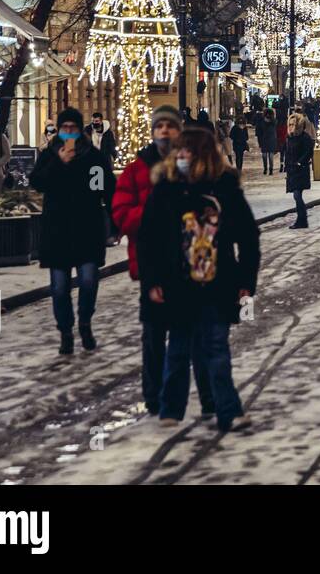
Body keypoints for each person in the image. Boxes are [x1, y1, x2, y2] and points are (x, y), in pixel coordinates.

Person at [138, 126, 260, 432]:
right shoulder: (166, 188)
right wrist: (152, 281)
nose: (181, 155)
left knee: (216, 348)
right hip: (178, 283)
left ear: (203, 154)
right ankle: (170, 408)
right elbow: (147, 239)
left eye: (187, 150)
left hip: (218, 284)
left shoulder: (225, 187)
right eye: (179, 150)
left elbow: (248, 236)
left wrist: (246, 280)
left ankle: (227, 411)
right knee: (178, 348)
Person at [112, 105, 215, 417]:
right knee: (154, 335)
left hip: (191, 263)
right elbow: (119, 212)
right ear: (154, 131)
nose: (165, 132)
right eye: (160, 127)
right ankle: (154, 396)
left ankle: (208, 397)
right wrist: (152, 217)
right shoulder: (137, 169)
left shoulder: (193, 167)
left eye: (171, 126)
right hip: (151, 261)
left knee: (197, 334)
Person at [30, 107, 115, 355]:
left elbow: (103, 188)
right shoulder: (49, 155)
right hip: (57, 229)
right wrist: (59, 162)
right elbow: (38, 182)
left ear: (80, 130)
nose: (68, 132)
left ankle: (85, 321)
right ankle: (66, 331)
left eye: (73, 128)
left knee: (89, 280)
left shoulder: (93, 157)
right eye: (64, 128)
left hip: (86, 227)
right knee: (59, 286)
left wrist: (114, 223)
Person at [284, 112, 314, 229]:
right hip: (292, 171)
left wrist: (300, 162)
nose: (291, 126)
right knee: (296, 196)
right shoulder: (290, 138)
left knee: (297, 195)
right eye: (289, 124)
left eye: (293, 124)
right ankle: (302, 220)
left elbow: (308, 152)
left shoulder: (304, 137)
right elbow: (287, 152)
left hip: (300, 171)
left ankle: (302, 220)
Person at [257, 109, 278, 175]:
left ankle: (271, 169)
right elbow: (259, 133)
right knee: (264, 156)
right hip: (264, 140)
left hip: (271, 140)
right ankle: (265, 168)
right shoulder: (262, 122)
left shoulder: (273, 122)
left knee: (270, 156)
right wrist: (259, 142)